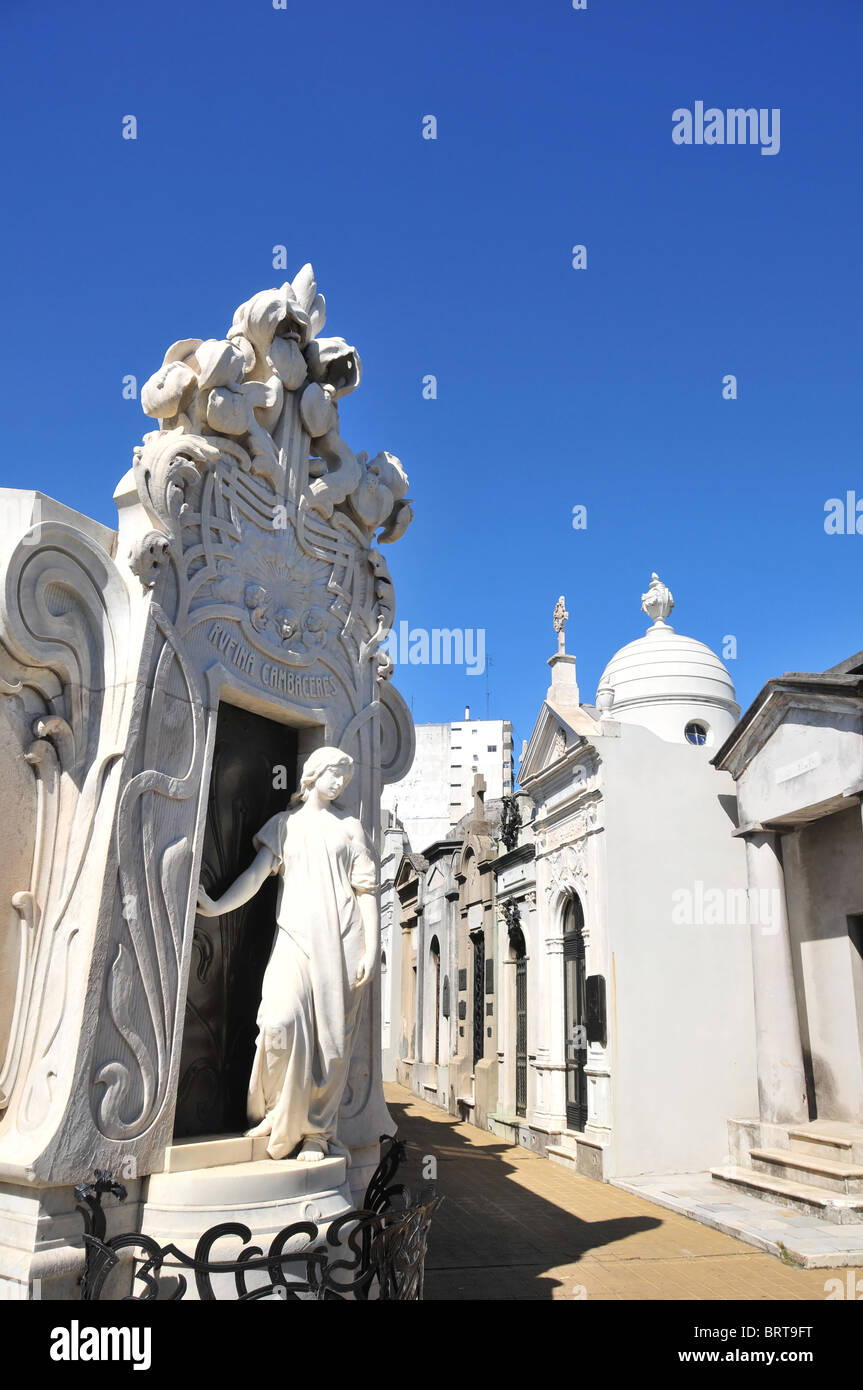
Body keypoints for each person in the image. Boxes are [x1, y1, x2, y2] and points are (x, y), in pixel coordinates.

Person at [196, 746, 378, 1163]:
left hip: (341, 941)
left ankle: (316, 1131)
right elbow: (257, 875)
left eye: (346, 779)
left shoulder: (350, 827)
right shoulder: (285, 825)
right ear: (313, 774)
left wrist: (372, 946)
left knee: (330, 1044)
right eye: (334, 774)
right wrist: (218, 905)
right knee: (277, 1022)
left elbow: (366, 890)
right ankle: (278, 1111)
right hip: (295, 937)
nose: (340, 783)